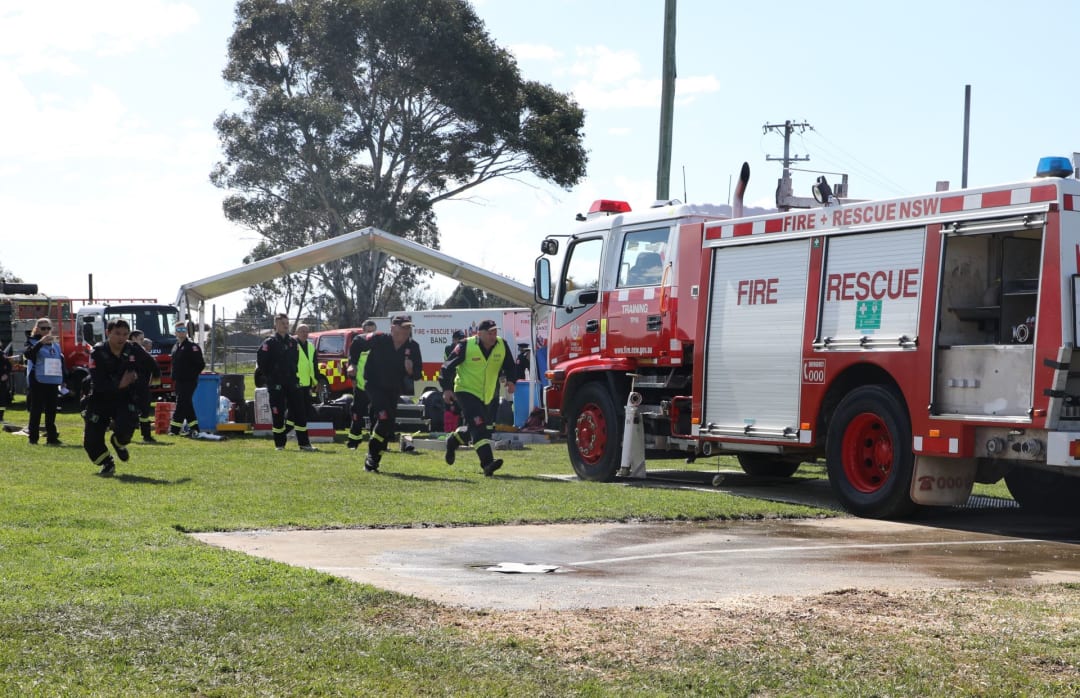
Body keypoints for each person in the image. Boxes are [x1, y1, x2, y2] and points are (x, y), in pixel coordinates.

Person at [440, 319, 519, 477]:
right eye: (489, 333)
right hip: (465, 391)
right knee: (479, 426)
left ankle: (453, 441)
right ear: (480, 333)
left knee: (475, 427)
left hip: (487, 395)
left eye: (495, 332)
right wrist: (447, 389)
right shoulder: (465, 345)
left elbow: (510, 365)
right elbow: (446, 367)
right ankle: (487, 463)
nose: (493, 336)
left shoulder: (502, 345)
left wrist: (511, 380)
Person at [354, 314, 423, 472]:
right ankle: (372, 457)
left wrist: (411, 370)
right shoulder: (379, 339)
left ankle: (373, 457)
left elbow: (418, 374)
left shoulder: (413, 347)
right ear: (393, 328)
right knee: (384, 418)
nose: (406, 331)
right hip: (373, 385)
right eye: (403, 327)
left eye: (408, 328)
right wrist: (352, 363)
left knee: (387, 424)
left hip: (393, 389)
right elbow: (357, 342)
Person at [83, 319, 146, 476]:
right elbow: (99, 382)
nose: (121, 338)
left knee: (127, 427)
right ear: (108, 333)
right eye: (117, 333)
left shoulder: (133, 349)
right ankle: (107, 463)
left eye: (125, 334)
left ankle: (118, 443)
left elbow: (149, 365)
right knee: (91, 441)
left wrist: (144, 378)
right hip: (100, 398)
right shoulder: (97, 353)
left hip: (124, 398)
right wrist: (120, 384)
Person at [257, 314, 317, 452]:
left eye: (287, 322)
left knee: (300, 412)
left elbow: (295, 360)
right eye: (283, 323)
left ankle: (304, 444)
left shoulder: (292, 342)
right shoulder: (269, 342)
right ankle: (280, 445)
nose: (285, 325)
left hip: (292, 381)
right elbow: (262, 363)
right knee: (278, 413)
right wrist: (271, 377)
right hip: (276, 383)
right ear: (276, 325)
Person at [23, 317, 65, 446]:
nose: (46, 330)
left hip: (52, 381)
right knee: (36, 410)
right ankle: (33, 438)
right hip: (38, 381)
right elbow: (28, 355)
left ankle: (51, 437)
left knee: (51, 411)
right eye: (43, 328)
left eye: (48, 328)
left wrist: (64, 380)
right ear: (37, 329)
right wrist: (40, 343)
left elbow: (60, 363)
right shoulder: (31, 342)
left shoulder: (56, 345)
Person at [345, 319, 378, 449]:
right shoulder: (358, 342)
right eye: (368, 330)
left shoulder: (380, 343)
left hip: (376, 386)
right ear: (363, 330)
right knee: (357, 413)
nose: (370, 333)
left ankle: (376, 441)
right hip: (361, 385)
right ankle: (354, 441)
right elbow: (351, 361)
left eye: (372, 330)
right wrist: (352, 379)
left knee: (376, 414)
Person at [169, 323, 205, 436]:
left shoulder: (192, 347)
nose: (181, 331)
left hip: (189, 381)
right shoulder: (175, 347)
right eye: (179, 330)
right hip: (179, 381)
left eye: (183, 329)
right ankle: (195, 428)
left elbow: (200, 364)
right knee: (187, 404)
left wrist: (191, 375)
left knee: (180, 403)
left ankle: (174, 430)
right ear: (175, 332)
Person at [127, 329, 161, 443]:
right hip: (140, 385)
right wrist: (155, 379)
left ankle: (127, 434)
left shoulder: (129, 349)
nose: (143, 341)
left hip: (134, 384)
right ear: (133, 338)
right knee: (143, 411)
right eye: (141, 339)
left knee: (134, 410)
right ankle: (146, 435)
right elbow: (153, 364)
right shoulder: (136, 349)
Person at [295, 323, 327, 425]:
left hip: (307, 382)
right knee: (297, 405)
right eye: (302, 331)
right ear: (297, 333)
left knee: (306, 404)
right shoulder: (293, 345)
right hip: (295, 381)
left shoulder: (310, 346)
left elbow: (314, 365)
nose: (305, 333)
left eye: (306, 331)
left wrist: (318, 381)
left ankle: (305, 424)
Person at [0, 352, 12, 424]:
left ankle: (0, 417)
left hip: (1, 381)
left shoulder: (2, 354)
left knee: (2, 401)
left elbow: (9, 366)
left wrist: (6, 374)